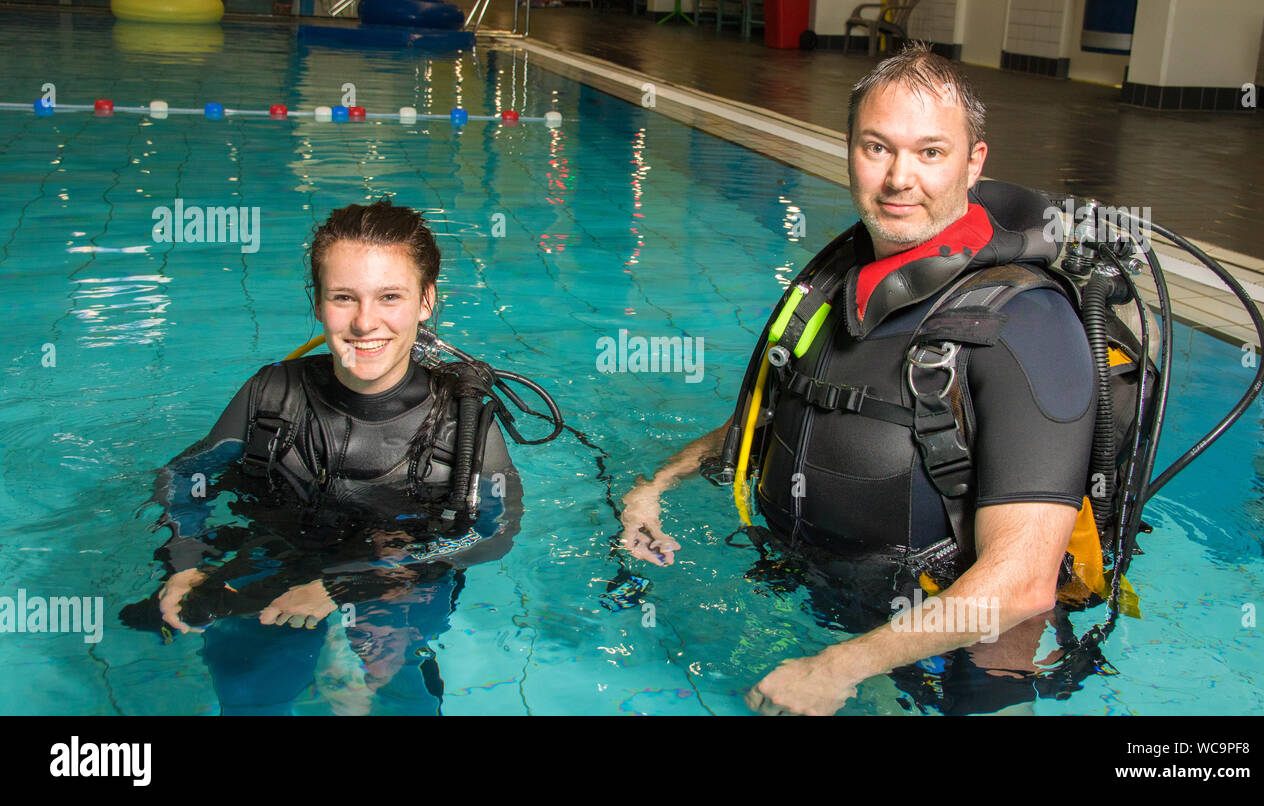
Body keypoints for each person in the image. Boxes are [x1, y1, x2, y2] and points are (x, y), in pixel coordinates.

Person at [619, 43, 1098, 716]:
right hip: (822, 611)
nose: (901, 178)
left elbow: (1021, 584)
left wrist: (842, 666)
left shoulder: (1027, 325)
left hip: (950, 660)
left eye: (931, 152)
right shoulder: (838, 285)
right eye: (878, 148)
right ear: (848, 149)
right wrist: (655, 488)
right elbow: (765, 418)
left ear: (974, 161)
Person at [128, 199, 523, 714]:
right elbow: (183, 477)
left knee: (400, 682)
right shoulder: (272, 393)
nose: (365, 323)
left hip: (398, 569)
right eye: (343, 297)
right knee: (250, 685)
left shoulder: (462, 419)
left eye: (389, 296)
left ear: (426, 301)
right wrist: (185, 561)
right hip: (279, 554)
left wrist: (346, 585)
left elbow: (494, 530)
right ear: (317, 302)